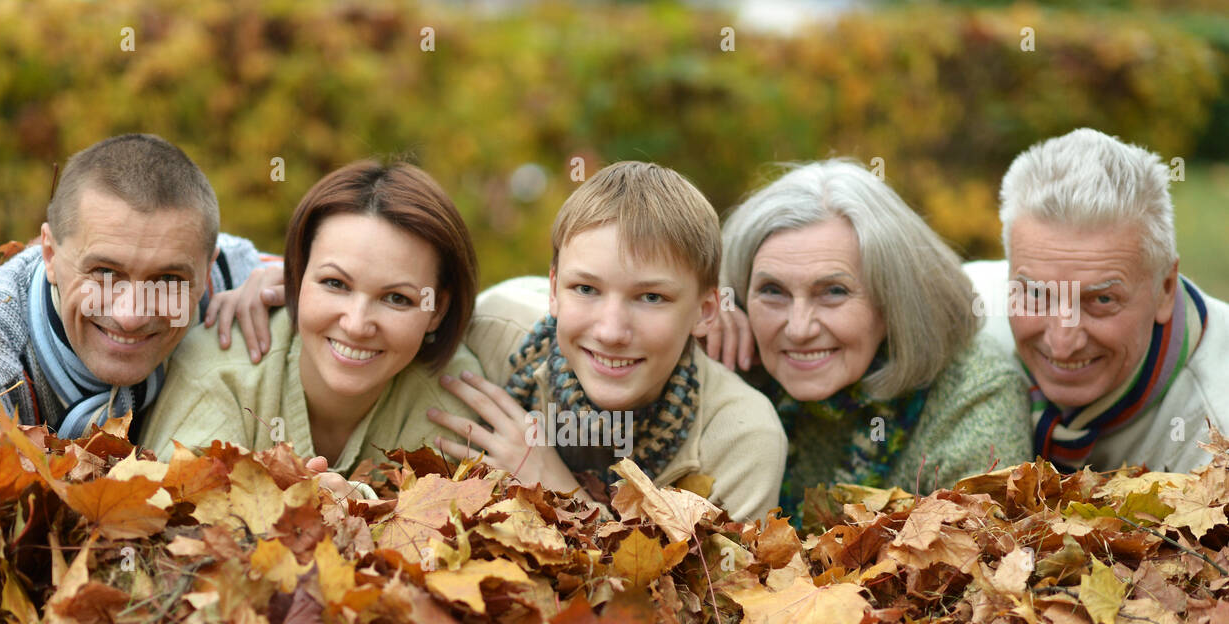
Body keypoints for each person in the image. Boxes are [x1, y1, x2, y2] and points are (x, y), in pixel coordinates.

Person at [431, 160, 787, 523]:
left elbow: (707, 581)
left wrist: (553, 486)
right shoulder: (490, 334)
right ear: (554, 290)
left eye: (650, 297)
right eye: (586, 289)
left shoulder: (743, 437)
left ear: (705, 310)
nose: (611, 332)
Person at [140, 160, 483, 496]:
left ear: (437, 310)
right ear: (297, 276)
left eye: (397, 298)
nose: (356, 324)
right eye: (335, 283)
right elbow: (177, 515)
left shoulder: (453, 395)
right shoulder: (217, 370)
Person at [716, 158, 1030, 517]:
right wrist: (688, 354)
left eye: (833, 291)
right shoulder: (725, 370)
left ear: (893, 298)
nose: (798, 329)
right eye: (772, 291)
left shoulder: (973, 395)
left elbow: (983, 562)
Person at [0, 133, 278, 440]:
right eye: (105, 272)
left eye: (168, 279)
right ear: (50, 255)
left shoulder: (229, 275)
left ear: (207, 268)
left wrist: (296, 287)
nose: (130, 316)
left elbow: (323, 280)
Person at [964, 128, 1229, 474]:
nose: (1061, 344)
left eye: (1101, 299)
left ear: (1165, 288)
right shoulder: (959, 323)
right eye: (1036, 294)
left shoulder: (1218, 425)